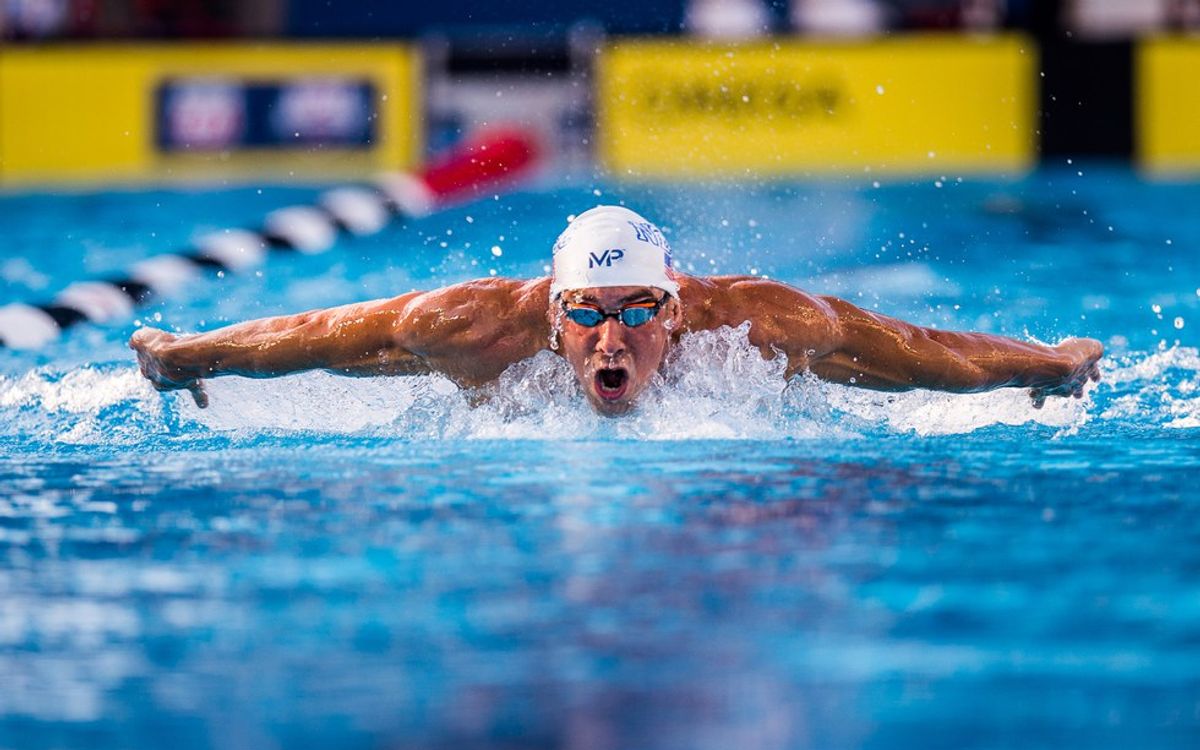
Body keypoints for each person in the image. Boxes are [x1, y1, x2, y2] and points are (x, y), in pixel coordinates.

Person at [130, 205, 1103, 416]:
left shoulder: (755, 323)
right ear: (554, 318)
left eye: (640, 310)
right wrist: (188, 357)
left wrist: (1045, 365)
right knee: (399, 355)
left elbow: (917, 350)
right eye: (587, 313)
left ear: (678, 314)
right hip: (487, 362)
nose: (611, 334)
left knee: (843, 357)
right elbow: (314, 336)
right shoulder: (480, 326)